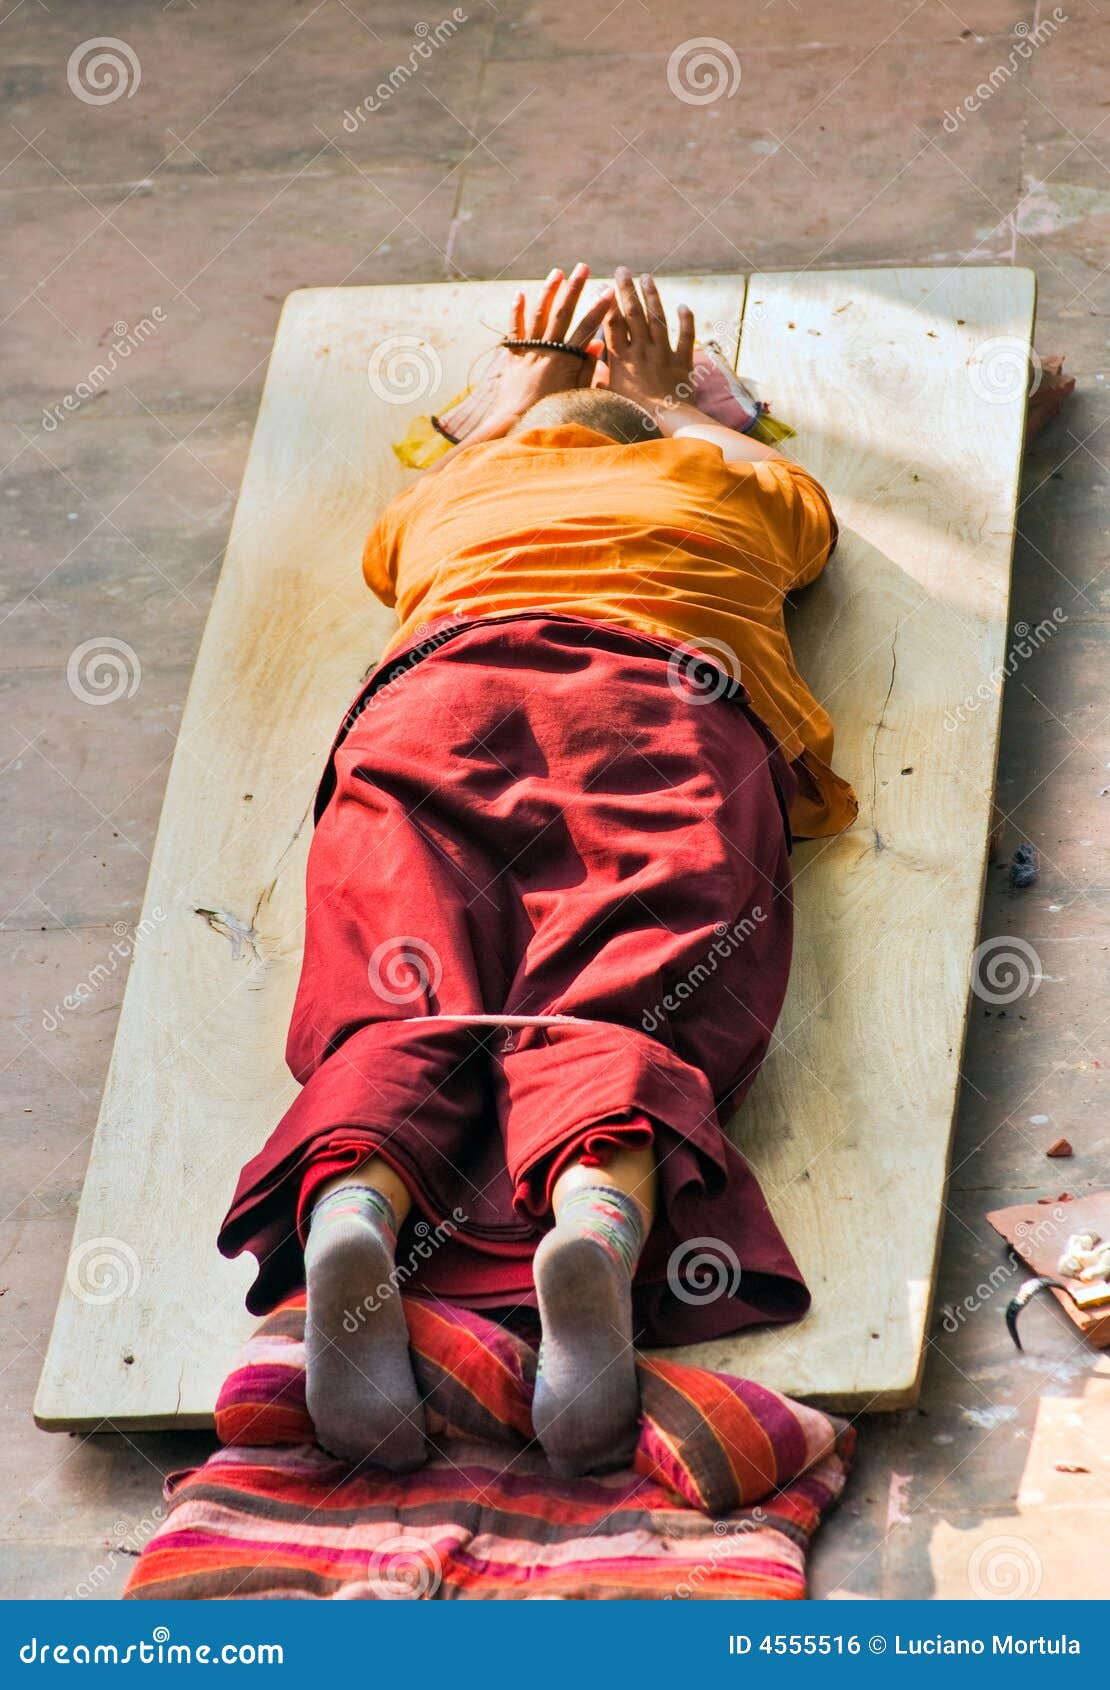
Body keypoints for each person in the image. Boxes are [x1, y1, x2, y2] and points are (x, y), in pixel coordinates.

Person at [218, 264, 857, 1479]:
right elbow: (810, 528)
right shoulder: (730, 487)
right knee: (632, 987)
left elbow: (390, 537)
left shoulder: (452, 503)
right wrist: (675, 406)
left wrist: (529, 390)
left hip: (431, 713)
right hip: (660, 712)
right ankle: (595, 1228)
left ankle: (357, 1213)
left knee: (398, 988)